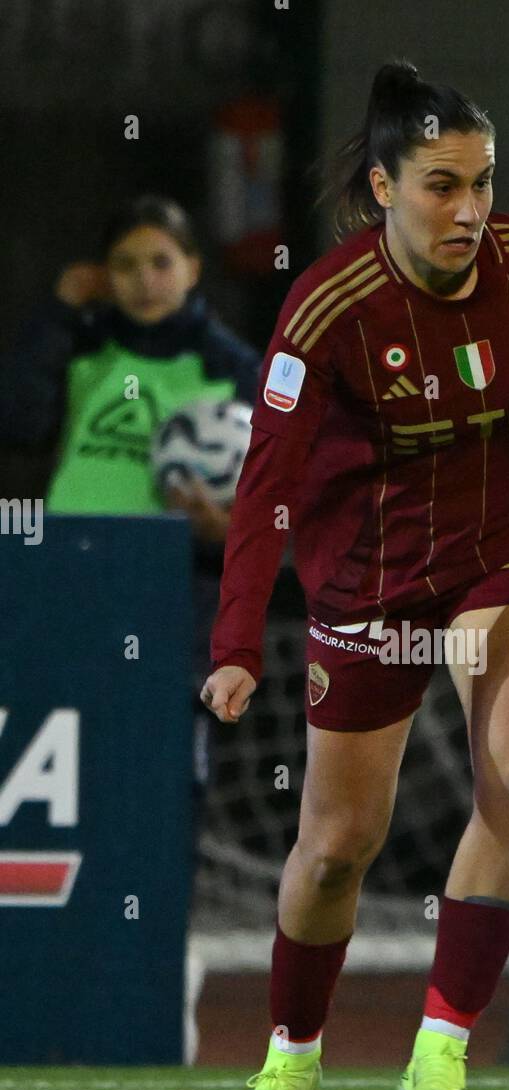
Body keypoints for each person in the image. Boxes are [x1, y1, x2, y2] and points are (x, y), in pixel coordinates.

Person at [201, 62, 509, 1090]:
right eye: (441, 186)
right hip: (377, 580)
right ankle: (290, 1061)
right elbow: (266, 483)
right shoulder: (329, 310)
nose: (469, 210)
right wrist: (236, 641)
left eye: (482, 183)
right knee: (338, 845)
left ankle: (440, 1047)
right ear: (382, 188)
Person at [0, 194, 261, 846]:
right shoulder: (81, 342)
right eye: (125, 265)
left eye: (160, 262)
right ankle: (74, 922)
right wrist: (58, 311)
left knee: (163, 762)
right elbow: (18, 424)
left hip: (172, 592)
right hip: (68, 577)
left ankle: (162, 929)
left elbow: (280, 505)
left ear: (193, 268)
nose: (144, 280)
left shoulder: (232, 369)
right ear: (103, 274)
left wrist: (222, 532)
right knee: (64, 746)